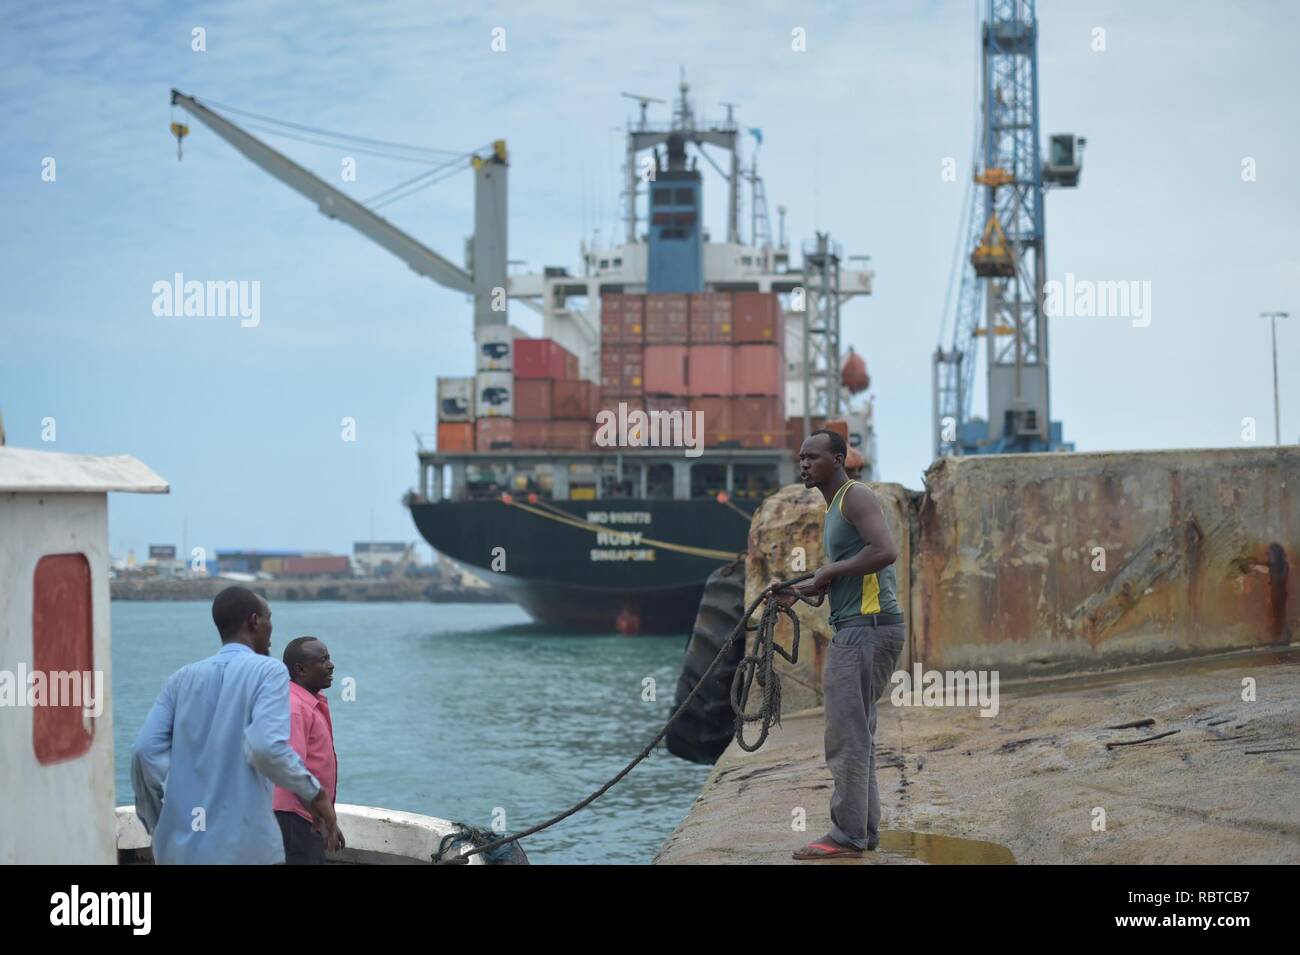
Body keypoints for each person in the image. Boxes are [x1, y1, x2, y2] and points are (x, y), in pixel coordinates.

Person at [131, 586, 339, 864]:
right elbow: (265, 747)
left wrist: (157, 822)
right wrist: (315, 795)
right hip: (245, 848)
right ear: (255, 621)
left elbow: (143, 753)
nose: (271, 628)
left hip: (179, 850)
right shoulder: (269, 671)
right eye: (269, 618)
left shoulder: (181, 679)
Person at [782, 429, 904, 860]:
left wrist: (830, 573)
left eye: (812, 457)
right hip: (863, 627)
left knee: (846, 735)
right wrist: (801, 590)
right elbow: (853, 571)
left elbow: (885, 550)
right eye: (800, 458)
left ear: (837, 459)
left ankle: (847, 835)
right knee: (859, 734)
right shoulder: (834, 507)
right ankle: (862, 832)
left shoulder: (855, 496)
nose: (803, 465)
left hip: (865, 631)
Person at [273, 636, 342, 864]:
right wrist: (323, 818)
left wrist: (326, 819)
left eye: (329, 658)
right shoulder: (294, 707)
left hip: (306, 816)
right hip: (294, 819)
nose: (330, 665)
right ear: (300, 669)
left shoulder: (309, 702)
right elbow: (290, 769)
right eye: (322, 660)